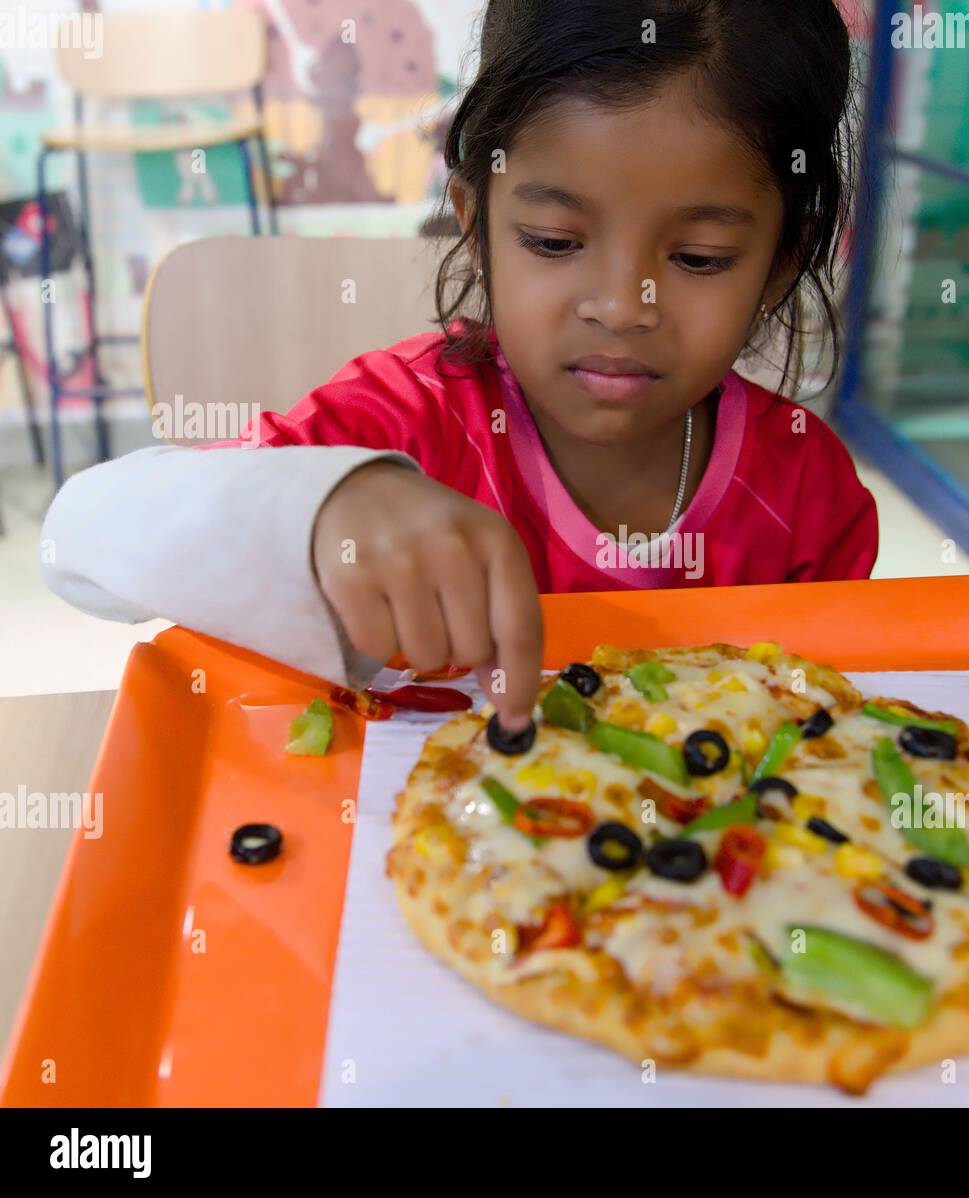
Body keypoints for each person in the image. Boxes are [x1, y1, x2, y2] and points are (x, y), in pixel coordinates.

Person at [42, 0, 878, 730]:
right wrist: (320, 504)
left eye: (700, 257)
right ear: (475, 227)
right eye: (554, 242)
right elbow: (76, 544)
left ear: (779, 261)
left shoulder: (807, 496)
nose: (623, 305)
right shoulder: (400, 425)